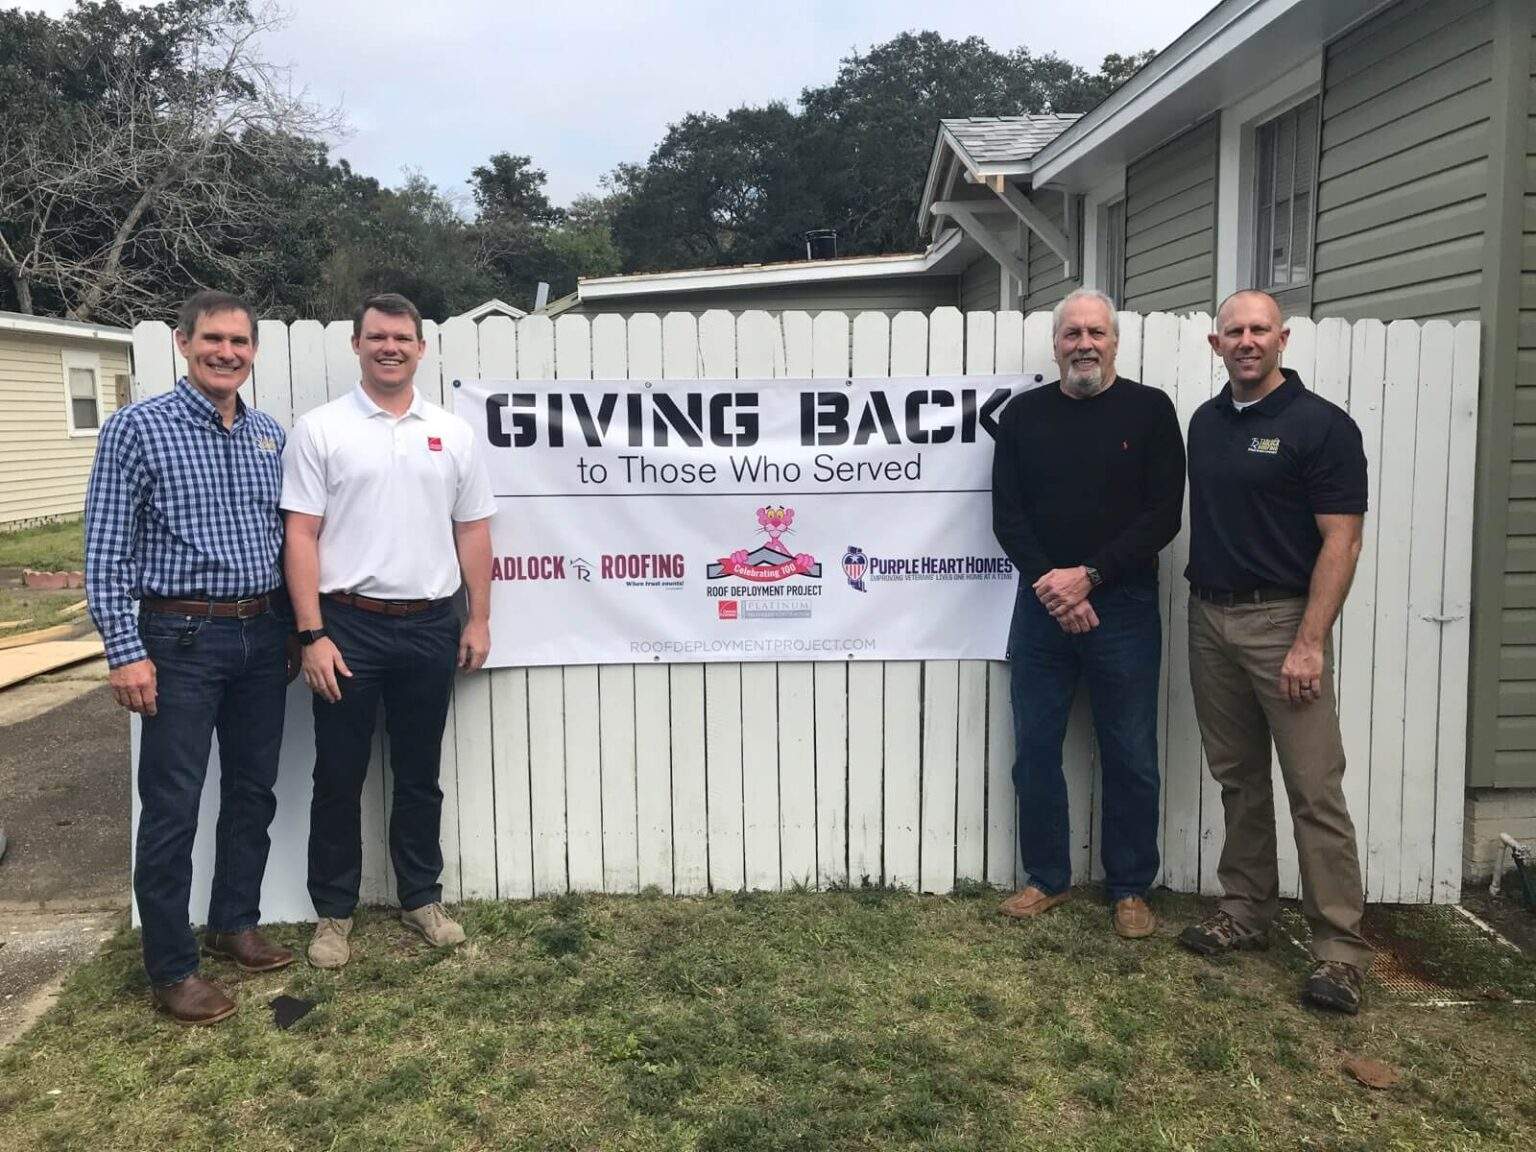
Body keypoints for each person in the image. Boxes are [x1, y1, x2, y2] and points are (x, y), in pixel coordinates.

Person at [85, 290, 293, 1025]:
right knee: (172, 806)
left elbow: (284, 542)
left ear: (253, 350)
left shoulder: (269, 434)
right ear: (183, 341)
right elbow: (105, 553)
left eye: (240, 341)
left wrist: (295, 630)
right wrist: (125, 652)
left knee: (252, 790)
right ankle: (172, 967)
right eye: (213, 339)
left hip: (263, 635)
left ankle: (233, 922)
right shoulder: (137, 429)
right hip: (179, 641)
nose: (227, 352)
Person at [281, 292, 495, 969]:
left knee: (419, 774)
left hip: (432, 625)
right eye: (377, 337)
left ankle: (421, 898)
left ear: (421, 347)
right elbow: (302, 534)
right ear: (357, 345)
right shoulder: (321, 429)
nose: (390, 347)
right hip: (347, 627)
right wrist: (311, 634)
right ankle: (334, 914)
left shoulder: (453, 433)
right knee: (338, 777)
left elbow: (473, 531)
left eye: (402, 337)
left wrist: (480, 617)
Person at [1177, 289, 1372, 1014]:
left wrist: (1310, 641)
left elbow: (1342, 540)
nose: (1248, 341)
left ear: (1283, 339)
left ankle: (1340, 950)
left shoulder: (1321, 427)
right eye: (1236, 331)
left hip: (1284, 622)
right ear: (1216, 344)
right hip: (1211, 618)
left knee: (1314, 788)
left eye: (1261, 329)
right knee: (1237, 777)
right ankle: (1245, 911)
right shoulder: (1207, 422)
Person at [991, 288, 1185, 938]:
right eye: (1072, 333)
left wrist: (1091, 577)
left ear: (1115, 342)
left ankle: (1130, 888)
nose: (1084, 344)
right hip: (1041, 604)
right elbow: (1007, 515)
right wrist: (1055, 585)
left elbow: (1163, 516)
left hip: (1123, 604)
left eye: (1095, 333)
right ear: (1055, 345)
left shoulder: (1151, 412)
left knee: (1130, 751)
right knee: (1035, 749)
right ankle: (1047, 878)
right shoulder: (1022, 418)